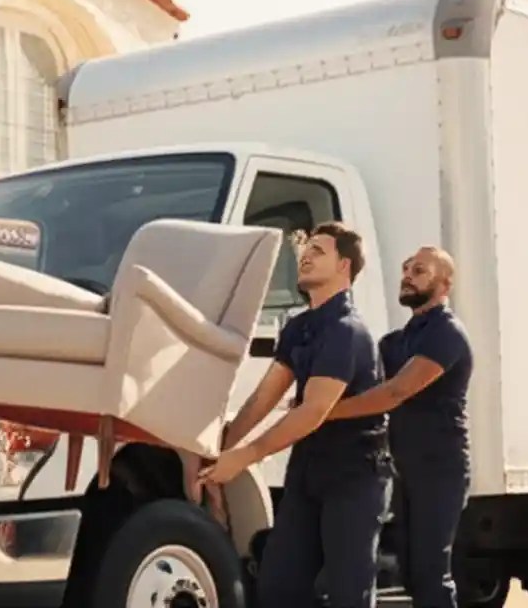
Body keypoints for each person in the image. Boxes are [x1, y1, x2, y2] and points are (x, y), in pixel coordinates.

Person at [198, 222, 392, 608]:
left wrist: (244, 457)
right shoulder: (300, 328)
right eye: (306, 250)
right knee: (278, 586)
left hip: (354, 475)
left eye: (319, 251)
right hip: (308, 470)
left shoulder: (347, 331)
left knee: (347, 594)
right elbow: (264, 397)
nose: (305, 256)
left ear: (345, 266)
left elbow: (313, 411)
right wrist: (221, 448)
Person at [324, 246, 473, 607]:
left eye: (419, 270)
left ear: (444, 284)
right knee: (409, 570)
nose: (407, 275)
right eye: (405, 268)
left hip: (440, 469)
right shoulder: (397, 340)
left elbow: (395, 392)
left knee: (430, 573)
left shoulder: (446, 333)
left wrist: (323, 412)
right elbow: (363, 381)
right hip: (403, 467)